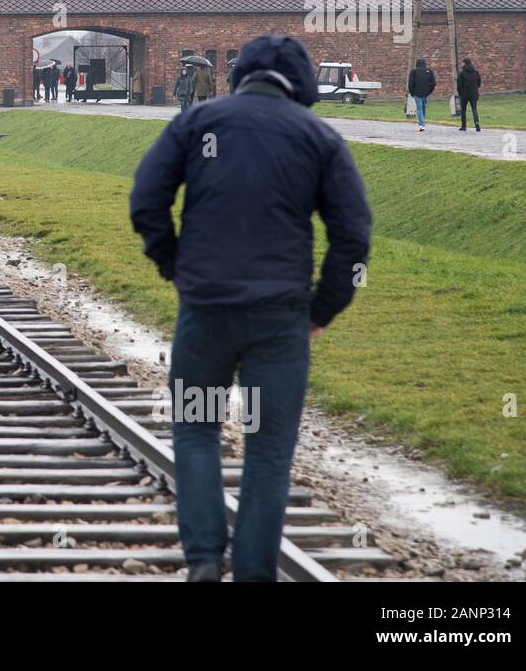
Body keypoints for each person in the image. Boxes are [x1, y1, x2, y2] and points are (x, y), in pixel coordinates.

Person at [129, 34, 371, 582]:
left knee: (195, 429)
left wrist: (176, 268)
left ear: (239, 76)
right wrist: (321, 310)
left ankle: (205, 562)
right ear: (302, 83)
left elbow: (146, 200)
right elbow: (353, 236)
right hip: (281, 317)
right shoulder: (319, 137)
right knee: (268, 450)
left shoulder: (198, 124)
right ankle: (256, 574)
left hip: (206, 308)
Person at [407, 59, 436, 131]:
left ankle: (421, 124)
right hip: (426, 93)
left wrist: (412, 92)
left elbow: (411, 83)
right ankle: (423, 121)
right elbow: (433, 83)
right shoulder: (429, 72)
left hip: (417, 93)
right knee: (423, 107)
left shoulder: (414, 72)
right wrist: (429, 91)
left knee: (419, 108)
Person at [457, 58, 481, 132]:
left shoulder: (462, 73)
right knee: (474, 109)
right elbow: (479, 83)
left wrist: (460, 93)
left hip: (464, 94)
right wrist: (475, 89)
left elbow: (459, 85)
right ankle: (477, 126)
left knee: (463, 110)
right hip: (473, 93)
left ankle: (464, 126)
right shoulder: (476, 73)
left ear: (464, 63)